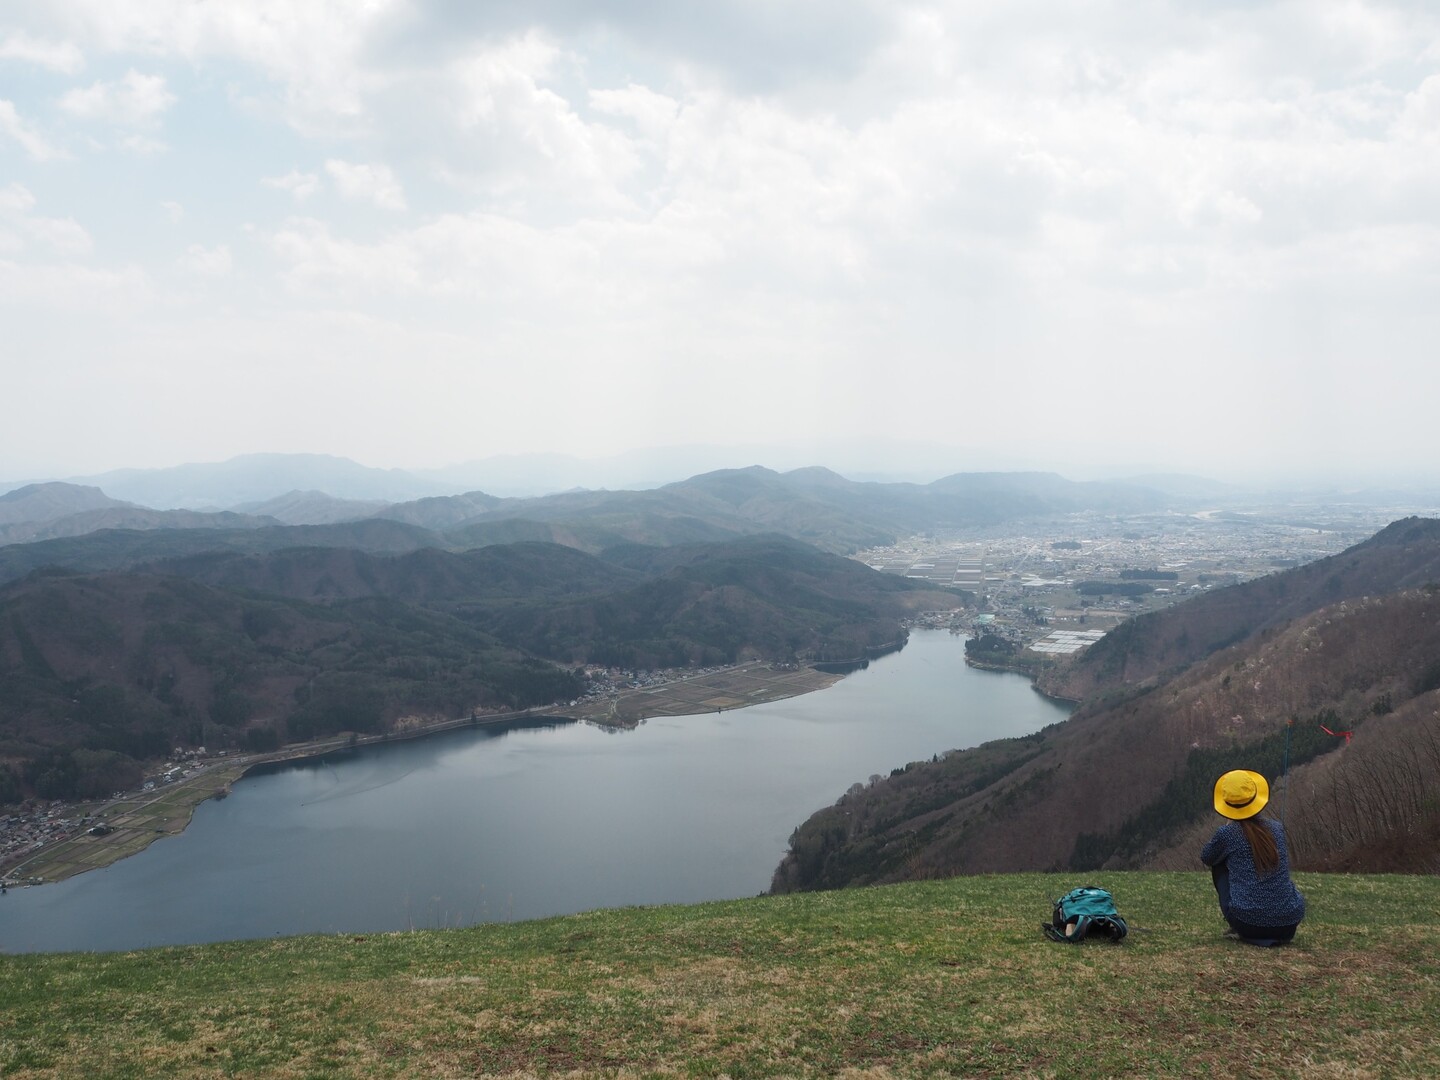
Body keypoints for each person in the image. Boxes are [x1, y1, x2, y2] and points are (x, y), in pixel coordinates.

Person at [1200, 769, 1305, 947]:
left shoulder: (1227, 834)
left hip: (1249, 924)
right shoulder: (1276, 828)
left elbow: (1207, 857)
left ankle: (1239, 921)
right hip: (1289, 923)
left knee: (1218, 863)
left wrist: (1229, 825)